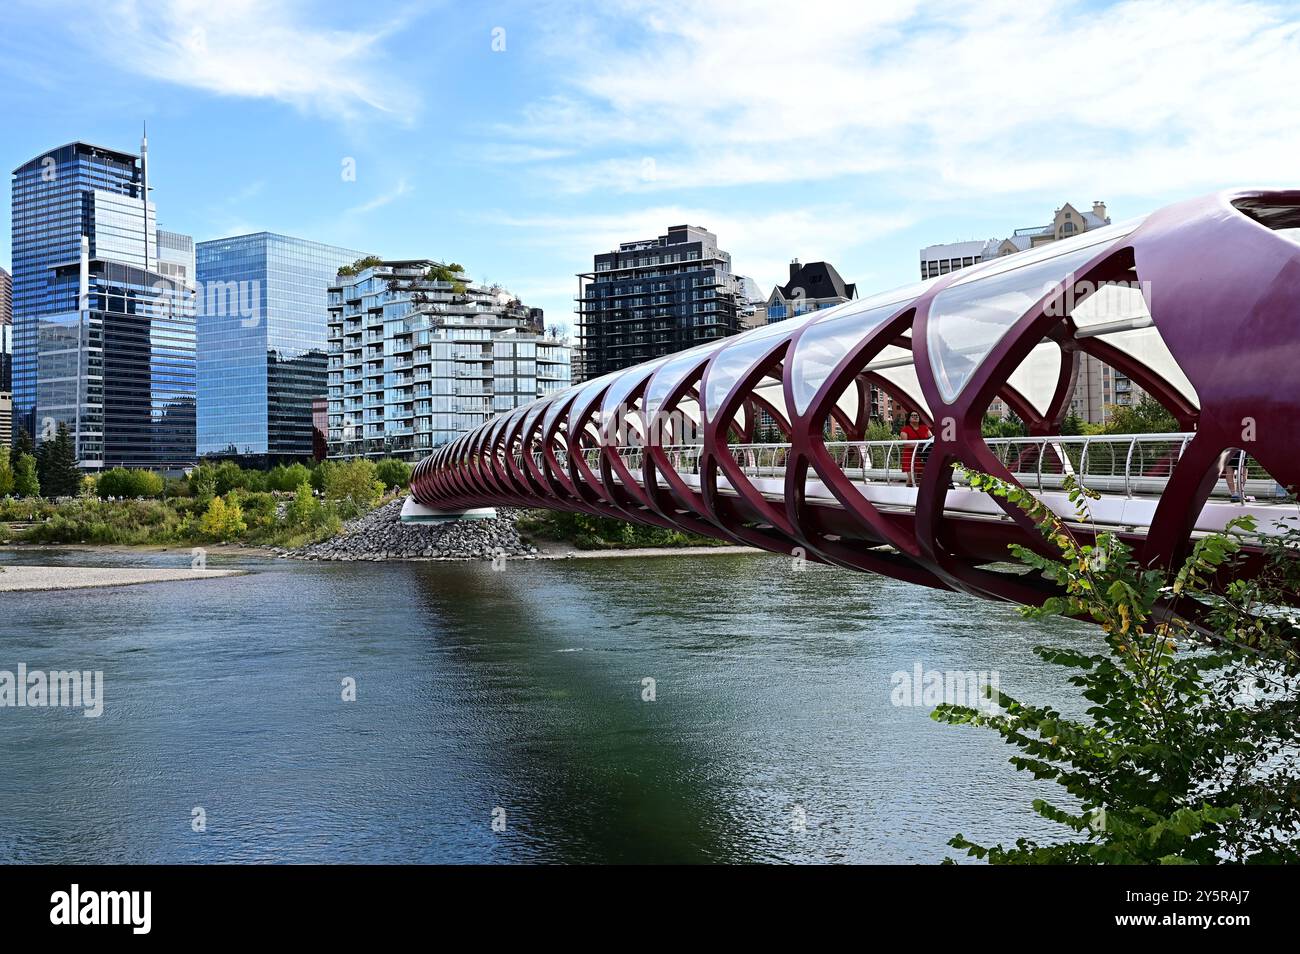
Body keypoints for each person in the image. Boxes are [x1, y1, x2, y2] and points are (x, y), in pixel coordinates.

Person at [899, 411, 931, 487]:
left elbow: (931, 440)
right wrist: (920, 445)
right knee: (911, 477)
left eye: (917, 415)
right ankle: (907, 494)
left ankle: (917, 495)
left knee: (920, 478)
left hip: (921, 456)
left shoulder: (925, 428)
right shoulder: (905, 429)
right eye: (912, 415)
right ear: (909, 419)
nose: (915, 417)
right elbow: (906, 444)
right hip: (909, 456)